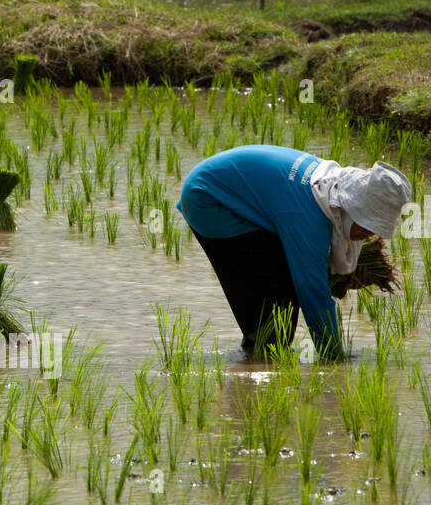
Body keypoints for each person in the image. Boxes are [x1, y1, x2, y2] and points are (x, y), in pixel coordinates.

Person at [176, 144, 412, 360]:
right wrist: (333, 358)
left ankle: (261, 354)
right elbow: (311, 289)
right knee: (282, 284)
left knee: (288, 275)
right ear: (354, 209)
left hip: (224, 191)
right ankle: (263, 355)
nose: (369, 236)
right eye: (368, 226)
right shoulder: (309, 216)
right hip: (208, 201)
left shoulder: (329, 186)